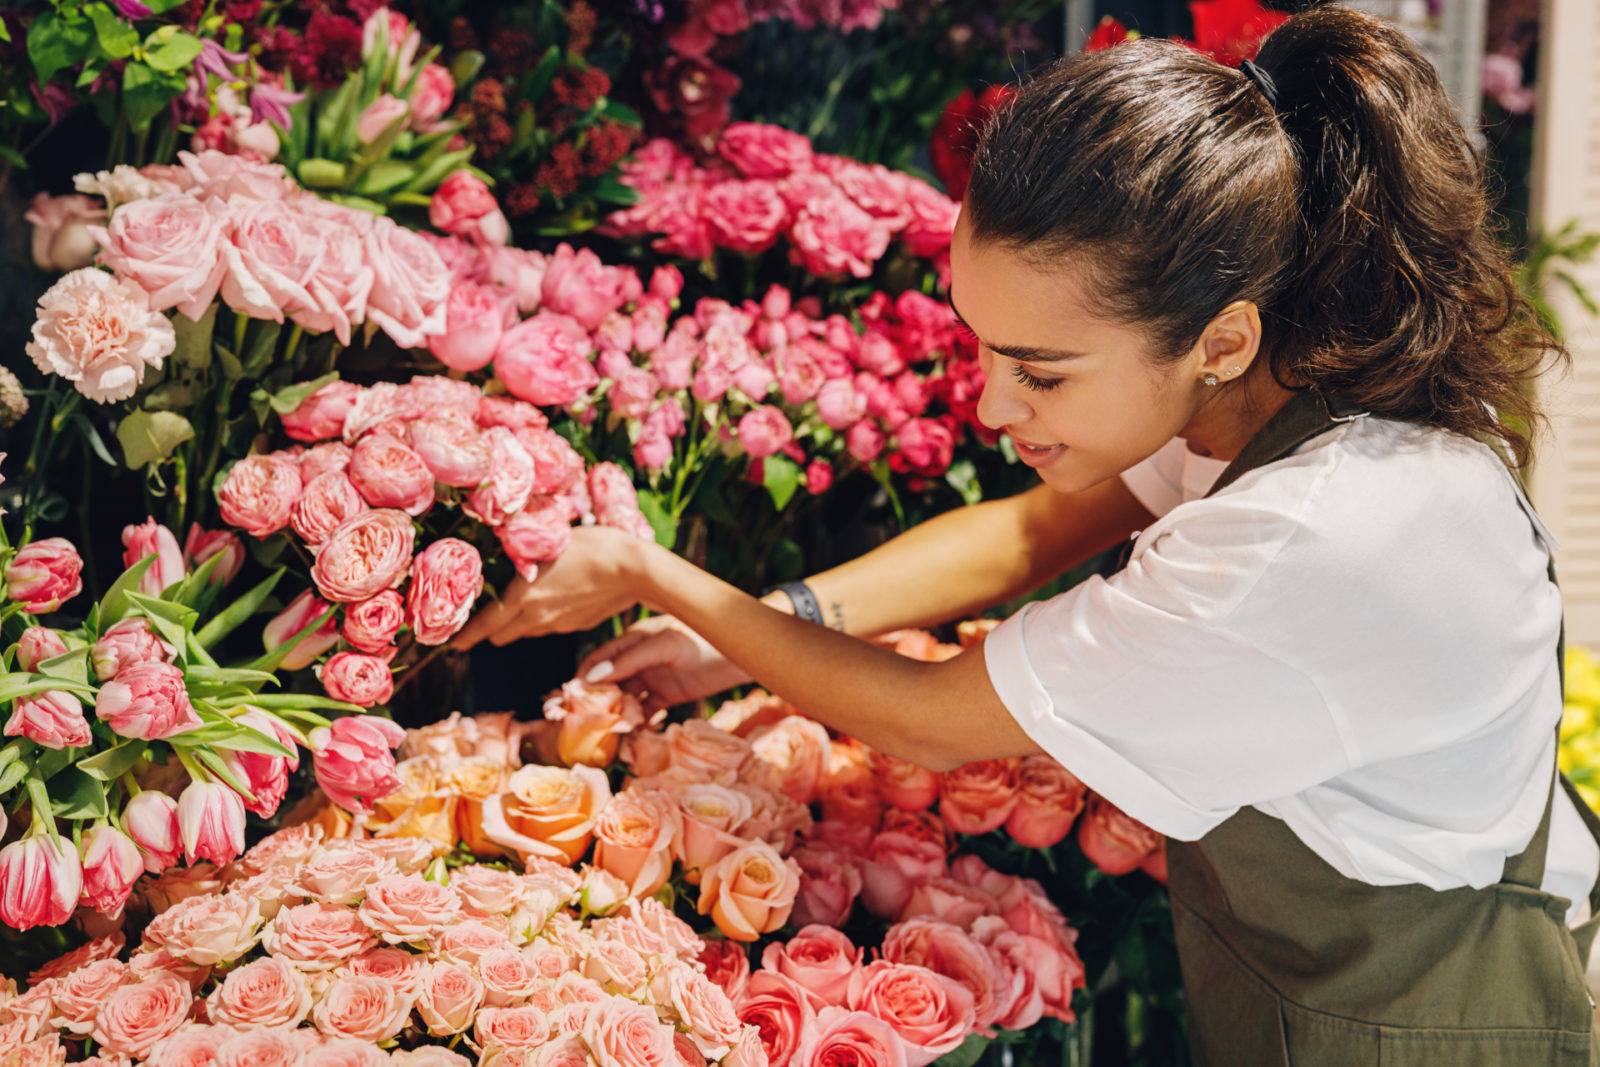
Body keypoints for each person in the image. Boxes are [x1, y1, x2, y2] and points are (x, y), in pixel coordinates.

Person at [455, 6, 1600, 1061]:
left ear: (1218, 336)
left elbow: (928, 717)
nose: (995, 408)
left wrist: (658, 576)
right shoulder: (1288, 382)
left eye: (1041, 373)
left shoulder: (1303, 540)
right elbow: (1025, 534)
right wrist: (782, 618)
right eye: (983, 349)